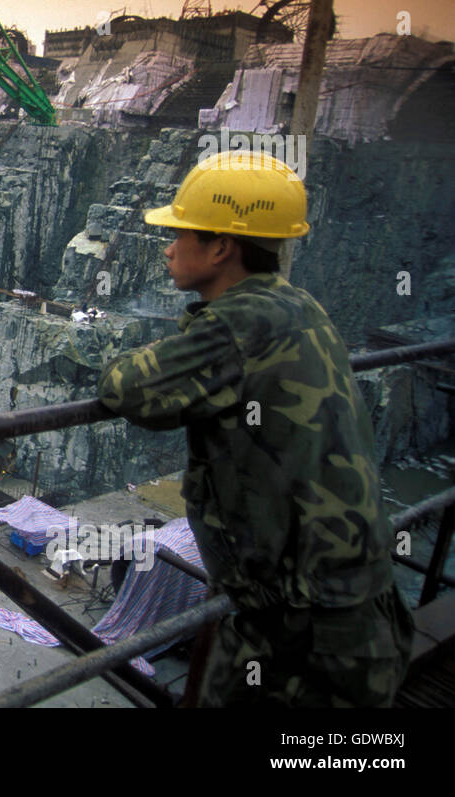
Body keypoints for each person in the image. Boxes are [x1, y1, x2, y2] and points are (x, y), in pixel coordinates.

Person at [96, 150, 413, 707]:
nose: (168, 249)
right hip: (346, 603)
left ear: (221, 246)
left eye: (181, 235)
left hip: (304, 623)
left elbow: (129, 389)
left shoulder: (238, 323)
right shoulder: (297, 305)